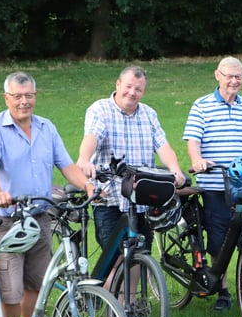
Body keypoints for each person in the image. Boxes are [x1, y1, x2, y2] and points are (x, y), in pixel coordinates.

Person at [0, 71, 93, 317]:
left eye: (29, 95)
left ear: (35, 97)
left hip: (39, 217)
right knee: (11, 291)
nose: (24, 101)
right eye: (17, 96)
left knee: (36, 286)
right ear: (7, 98)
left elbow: (66, 165)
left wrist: (89, 187)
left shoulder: (46, 127)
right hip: (7, 220)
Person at [183, 57, 242, 311]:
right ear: (217, 75)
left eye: (239, 76)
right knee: (218, 241)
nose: (234, 81)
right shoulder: (201, 106)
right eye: (229, 76)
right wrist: (197, 160)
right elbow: (193, 140)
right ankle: (223, 290)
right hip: (215, 183)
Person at [76, 65, 187, 254]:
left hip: (141, 197)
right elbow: (92, 137)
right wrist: (84, 160)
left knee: (140, 255)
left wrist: (175, 169)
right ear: (118, 84)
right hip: (109, 197)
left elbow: (162, 145)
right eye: (128, 86)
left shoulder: (148, 114)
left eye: (138, 89)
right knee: (115, 258)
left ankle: (132, 286)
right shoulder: (100, 109)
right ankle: (108, 285)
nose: (132, 92)